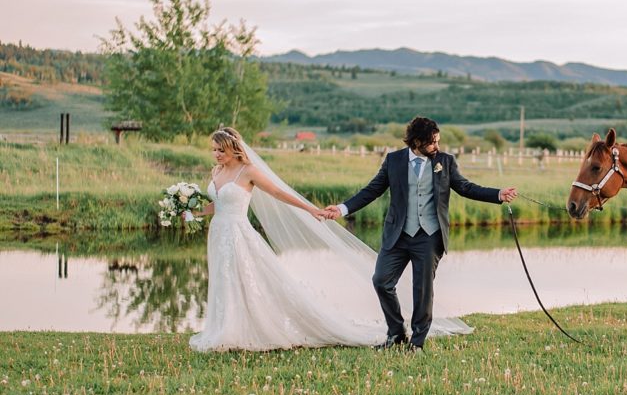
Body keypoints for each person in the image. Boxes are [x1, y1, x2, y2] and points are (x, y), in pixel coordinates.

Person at [188, 127, 473, 352]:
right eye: (213, 150)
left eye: (220, 150)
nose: (216, 154)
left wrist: (312, 209)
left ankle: (408, 336)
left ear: (234, 149)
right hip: (219, 234)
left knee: (249, 280)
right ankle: (225, 328)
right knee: (224, 281)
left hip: (239, 235)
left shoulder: (247, 171)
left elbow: (277, 193)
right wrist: (190, 212)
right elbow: (217, 203)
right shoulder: (216, 172)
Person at [324, 117, 517, 351]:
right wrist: (342, 208)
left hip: (429, 236)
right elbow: (372, 190)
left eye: (438, 141)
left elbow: (466, 187)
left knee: (422, 290)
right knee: (381, 281)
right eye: (432, 142)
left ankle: (417, 342)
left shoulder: (445, 162)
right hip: (398, 234)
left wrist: (498, 194)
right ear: (416, 142)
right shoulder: (393, 161)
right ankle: (396, 333)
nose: (437, 146)